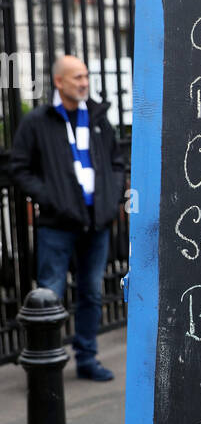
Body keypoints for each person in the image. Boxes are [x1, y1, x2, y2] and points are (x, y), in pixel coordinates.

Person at [9, 55, 126, 379]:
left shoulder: (99, 118)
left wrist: (112, 197)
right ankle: (44, 362)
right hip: (57, 225)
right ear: (59, 82)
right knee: (49, 293)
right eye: (77, 77)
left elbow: (116, 163)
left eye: (85, 76)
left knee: (92, 292)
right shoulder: (37, 121)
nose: (84, 82)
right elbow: (19, 168)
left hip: (97, 221)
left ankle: (87, 358)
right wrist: (52, 198)